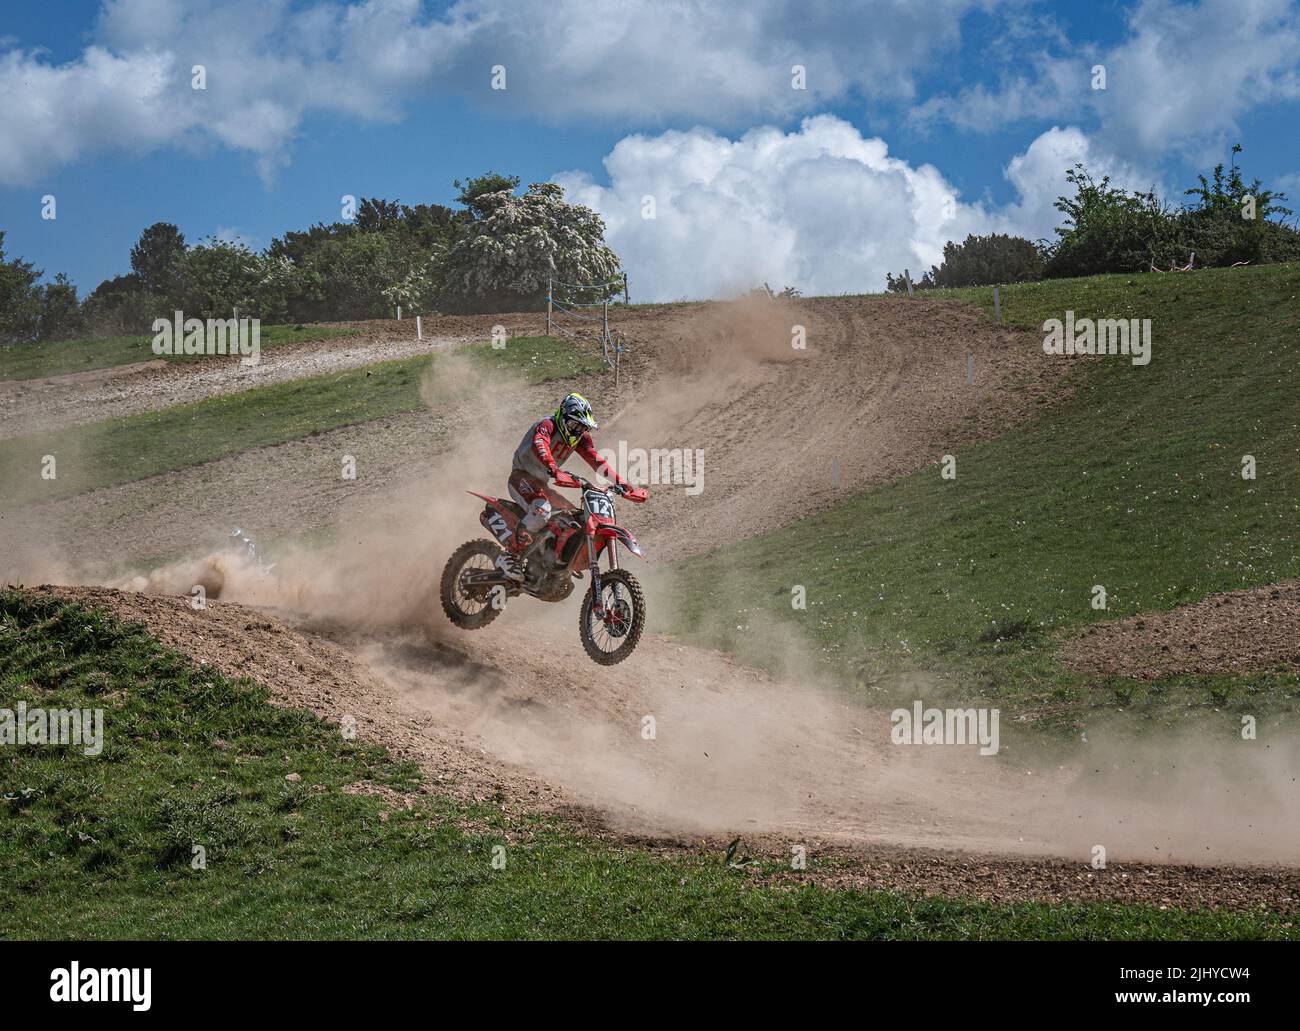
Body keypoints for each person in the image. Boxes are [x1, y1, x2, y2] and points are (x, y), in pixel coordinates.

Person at [497, 392, 630, 581]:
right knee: (542, 510)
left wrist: (622, 483)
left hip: (541, 485)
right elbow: (539, 444)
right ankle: (510, 555)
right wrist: (553, 468)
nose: (577, 431)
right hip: (521, 477)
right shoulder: (547, 426)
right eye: (575, 425)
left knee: (572, 517)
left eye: (582, 428)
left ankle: (554, 560)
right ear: (563, 416)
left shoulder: (580, 439)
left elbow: (597, 461)